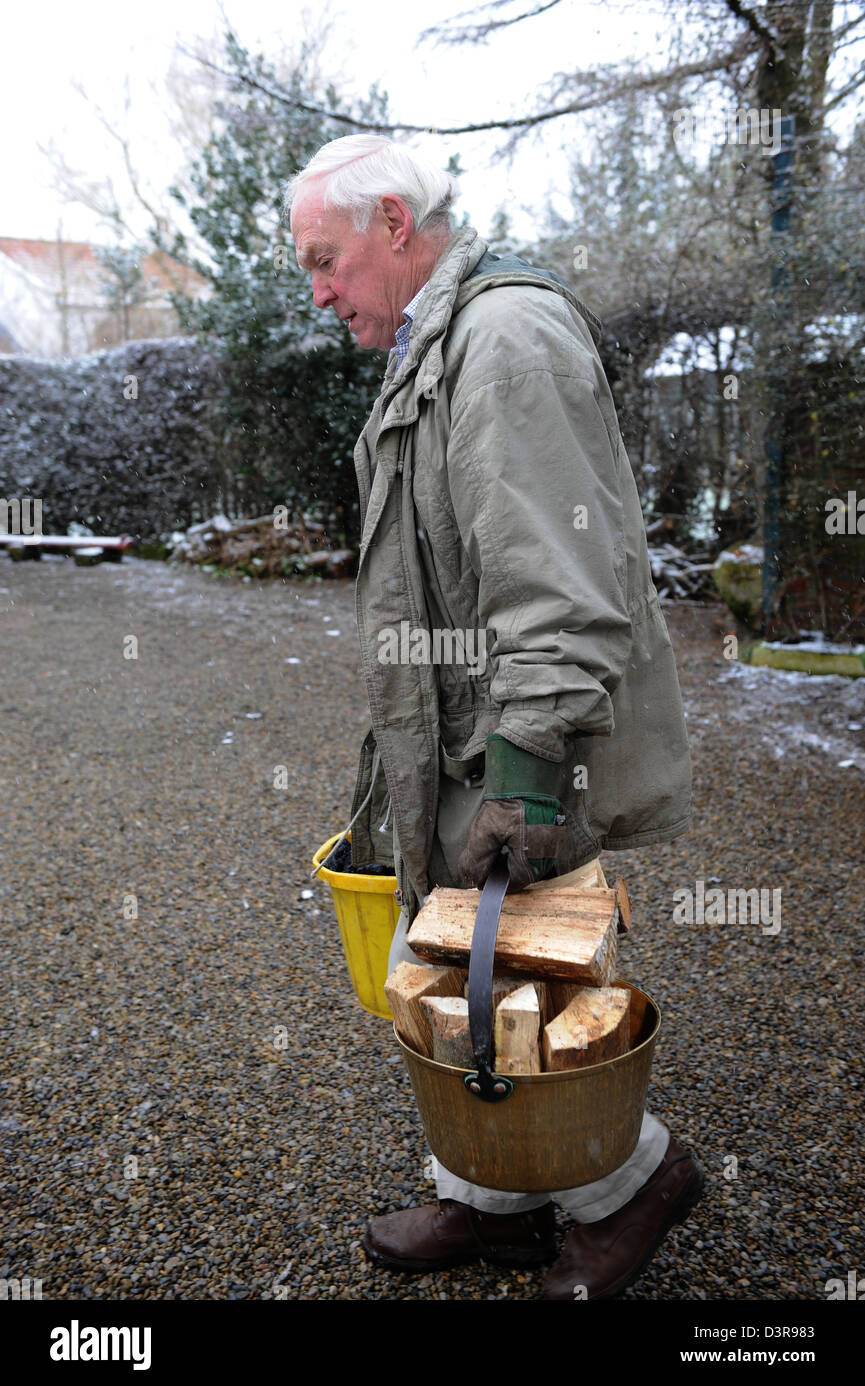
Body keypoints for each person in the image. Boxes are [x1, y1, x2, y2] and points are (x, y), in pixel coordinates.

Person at [286, 135, 703, 1300]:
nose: (316, 288)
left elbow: (559, 579)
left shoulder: (505, 339)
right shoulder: (437, 341)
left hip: (519, 747)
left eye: (326, 258)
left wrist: (523, 772)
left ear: (393, 226)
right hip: (459, 737)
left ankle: (633, 1183)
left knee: (537, 971)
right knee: (465, 965)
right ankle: (496, 1192)